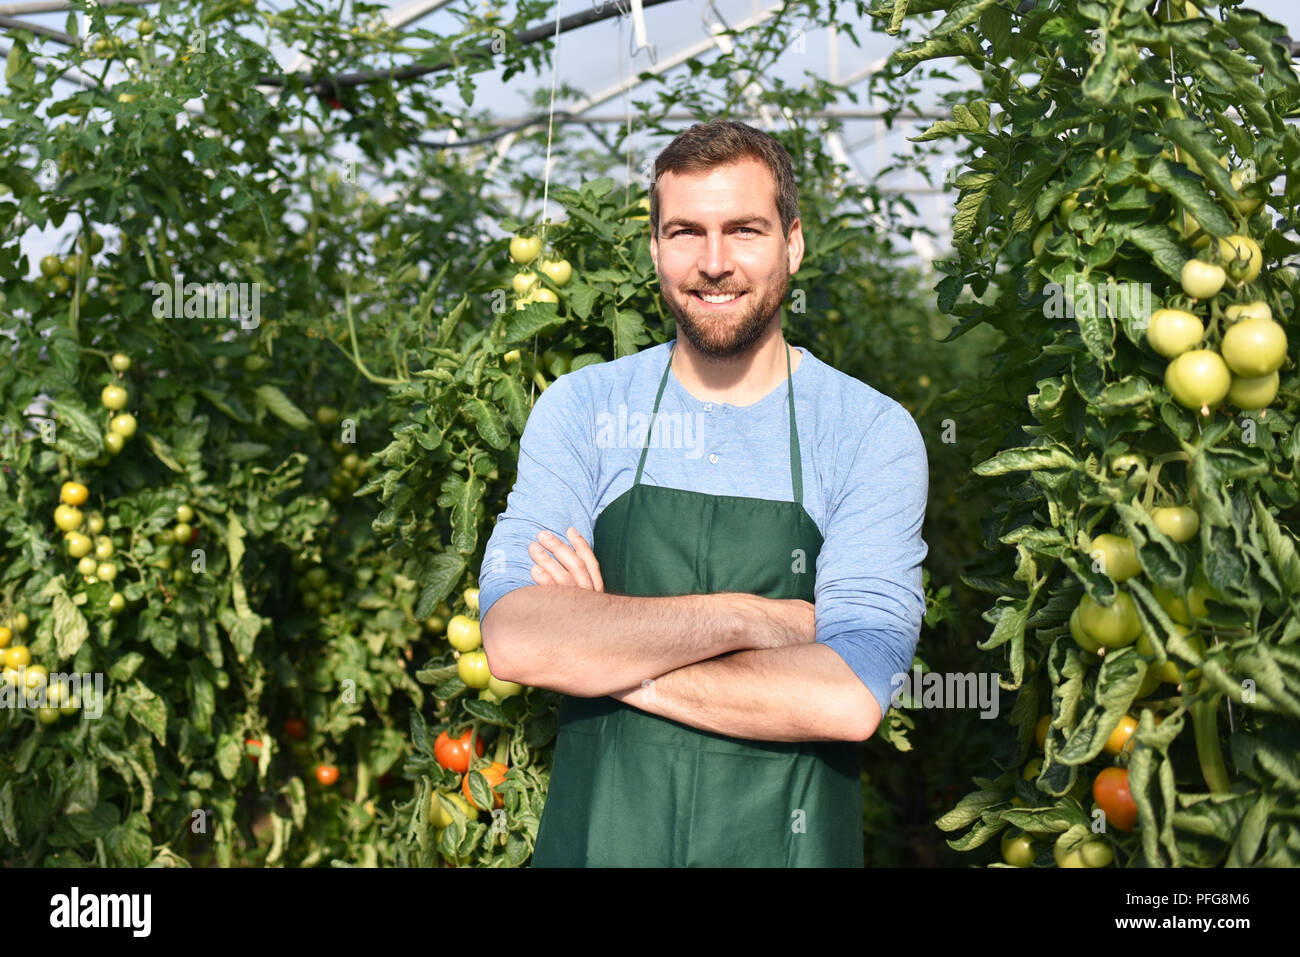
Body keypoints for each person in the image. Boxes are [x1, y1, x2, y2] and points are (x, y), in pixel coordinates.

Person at [478, 119, 928, 867]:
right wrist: (757, 618)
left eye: (744, 230)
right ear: (655, 247)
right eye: (686, 231)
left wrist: (601, 652)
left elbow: (847, 697)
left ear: (793, 242)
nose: (713, 263)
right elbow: (518, 638)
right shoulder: (584, 407)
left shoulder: (867, 431)